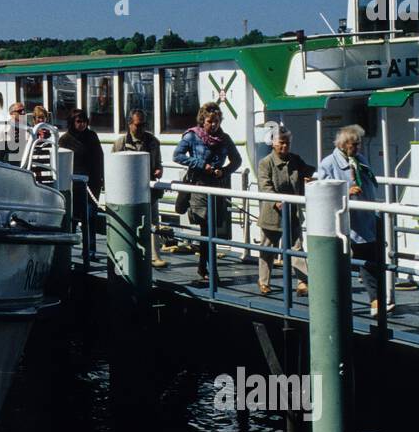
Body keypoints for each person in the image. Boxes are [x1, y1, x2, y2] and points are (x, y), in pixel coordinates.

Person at [315, 124, 384, 314]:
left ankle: (376, 299)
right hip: (341, 221)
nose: (358, 148)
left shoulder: (359, 159)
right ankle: (336, 301)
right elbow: (323, 190)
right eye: (355, 144)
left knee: (369, 259)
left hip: (364, 217)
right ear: (344, 145)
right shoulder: (328, 163)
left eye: (359, 144)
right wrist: (346, 190)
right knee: (339, 263)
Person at [173, 101, 241, 284]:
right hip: (198, 186)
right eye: (210, 121)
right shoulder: (192, 136)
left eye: (217, 121)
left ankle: (203, 266)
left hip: (216, 187)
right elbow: (177, 155)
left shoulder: (224, 139)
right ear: (203, 121)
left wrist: (224, 171)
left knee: (209, 229)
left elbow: (237, 160)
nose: (214, 125)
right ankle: (212, 271)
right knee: (207, 227)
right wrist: (202, 164)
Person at [256, 126, 312, 297]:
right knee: (267, 249)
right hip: (273, 213)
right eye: (281, 143)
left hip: (292, 212)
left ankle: (303, 282)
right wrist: (276, 200)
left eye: (287, 143)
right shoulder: (266, 163)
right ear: (273, 143)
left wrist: (311, 177)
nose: (284, 147)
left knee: (296, 247)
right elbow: (265, 185)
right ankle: (264, 282)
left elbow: (308, 170)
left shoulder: (295, 160)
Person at [112, 108, 166, 269]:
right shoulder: (120, 144)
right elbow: (113, 166)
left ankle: (155, 255)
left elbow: (158, 163)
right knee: (131, 222)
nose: (141, 128)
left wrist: (159, 170)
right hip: (126, 191)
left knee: (153, 220)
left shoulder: (153, 142)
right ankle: (132, 252)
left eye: (144, 124)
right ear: (129, 124)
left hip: (148, 189)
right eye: (138, 125)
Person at [60, 108, 105, 258]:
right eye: (79, 121)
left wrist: (101, 178)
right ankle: (68, 250)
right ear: (72, 122)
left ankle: (90, 250)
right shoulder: (65, 140)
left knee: (90, 217)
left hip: (90, 184)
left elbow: (99, 158)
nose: (82, 124)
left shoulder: (92, 136)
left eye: (84, 121)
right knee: (71, 217)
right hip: (72, 185)